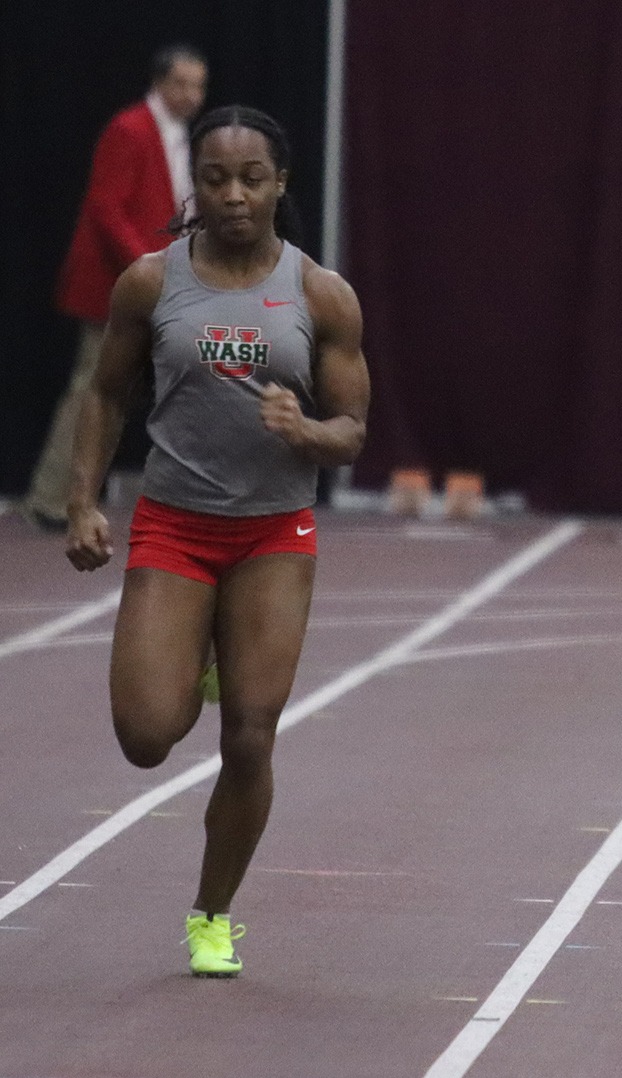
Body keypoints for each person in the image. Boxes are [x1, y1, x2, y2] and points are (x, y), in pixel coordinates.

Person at [64, 106, 370, 977]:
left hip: (275, 532)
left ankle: (212, 913)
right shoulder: (151, 284)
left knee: (249, 735)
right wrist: (85, 501)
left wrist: (308, 432)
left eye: (251, 179)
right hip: (175, 524)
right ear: (192, 186)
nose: (233, 195)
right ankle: (196, 650)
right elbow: (106, 394)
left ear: (280, 185)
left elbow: (353, 428)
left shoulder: (320, 295)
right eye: (215, 179)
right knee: (146, 736)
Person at [24, 44, 208, 530]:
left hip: (152, 281)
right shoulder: (129, 129)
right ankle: (50, 498)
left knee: (140, 387)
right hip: (114, 283)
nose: (193, 95)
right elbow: (106, 208)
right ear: (160, 83)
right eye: (184, 84)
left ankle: (166, 493)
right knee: (93, 385)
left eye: (199, 85)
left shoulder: (177, 134)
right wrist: (147, 266)